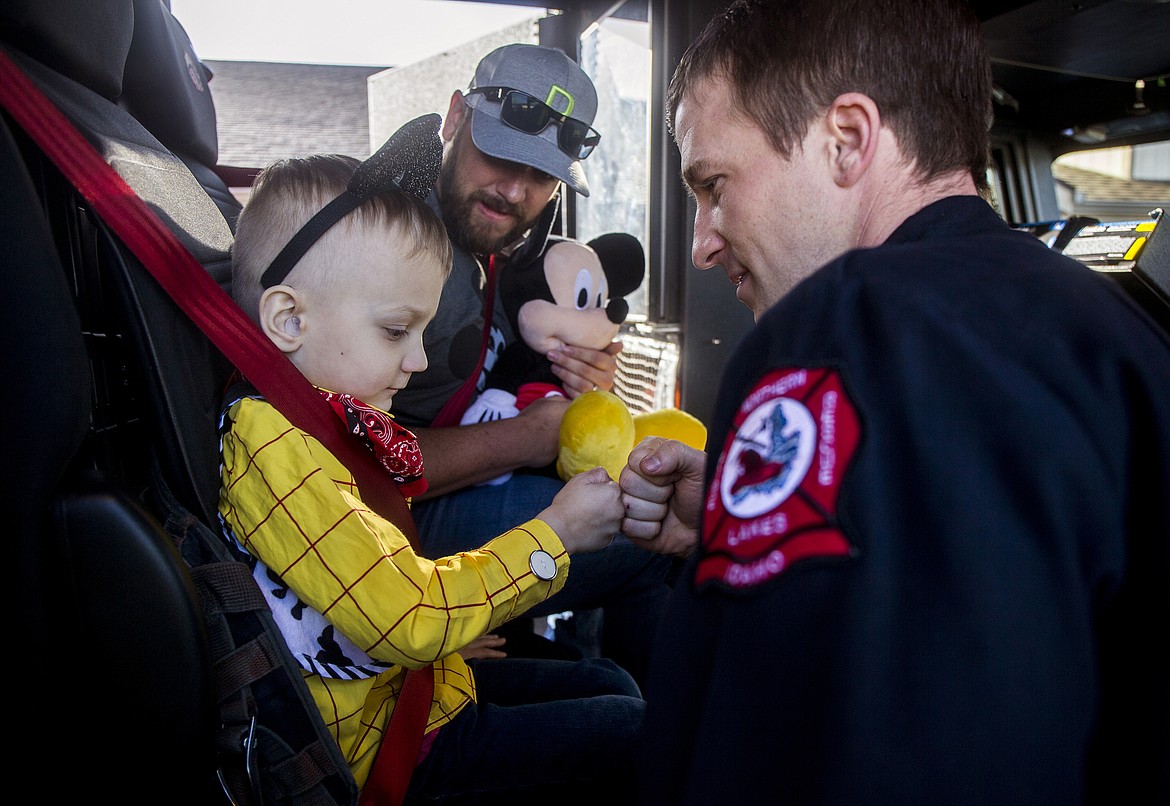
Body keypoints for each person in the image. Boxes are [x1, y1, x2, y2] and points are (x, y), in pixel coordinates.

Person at [617, 0, 1170, 803]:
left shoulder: (839, 329)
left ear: (846, 140)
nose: (702, 242)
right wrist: (744, 521)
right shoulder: (1122, 341)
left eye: (714, 185)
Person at [222, 130, 644, 804]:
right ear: (288, 320)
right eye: (396, 331)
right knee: (632, 728)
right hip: (393, 749)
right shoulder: (276, 450)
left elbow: (378, 584)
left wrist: (445, 645)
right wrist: (556, 535)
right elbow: (407, 615)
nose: (417, 361)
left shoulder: (322, 420)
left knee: (615, 687)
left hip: (412, 686)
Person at [390, 42, 674, 686]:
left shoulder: (496, 257)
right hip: (390, 528)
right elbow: (336, 461)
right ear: (454, 118)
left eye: (543, 175)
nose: (516, 191)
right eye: (500, 154)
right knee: (656, 532)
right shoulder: (399, 244)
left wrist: (571, 379)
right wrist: (529, 435)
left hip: (461, 492)